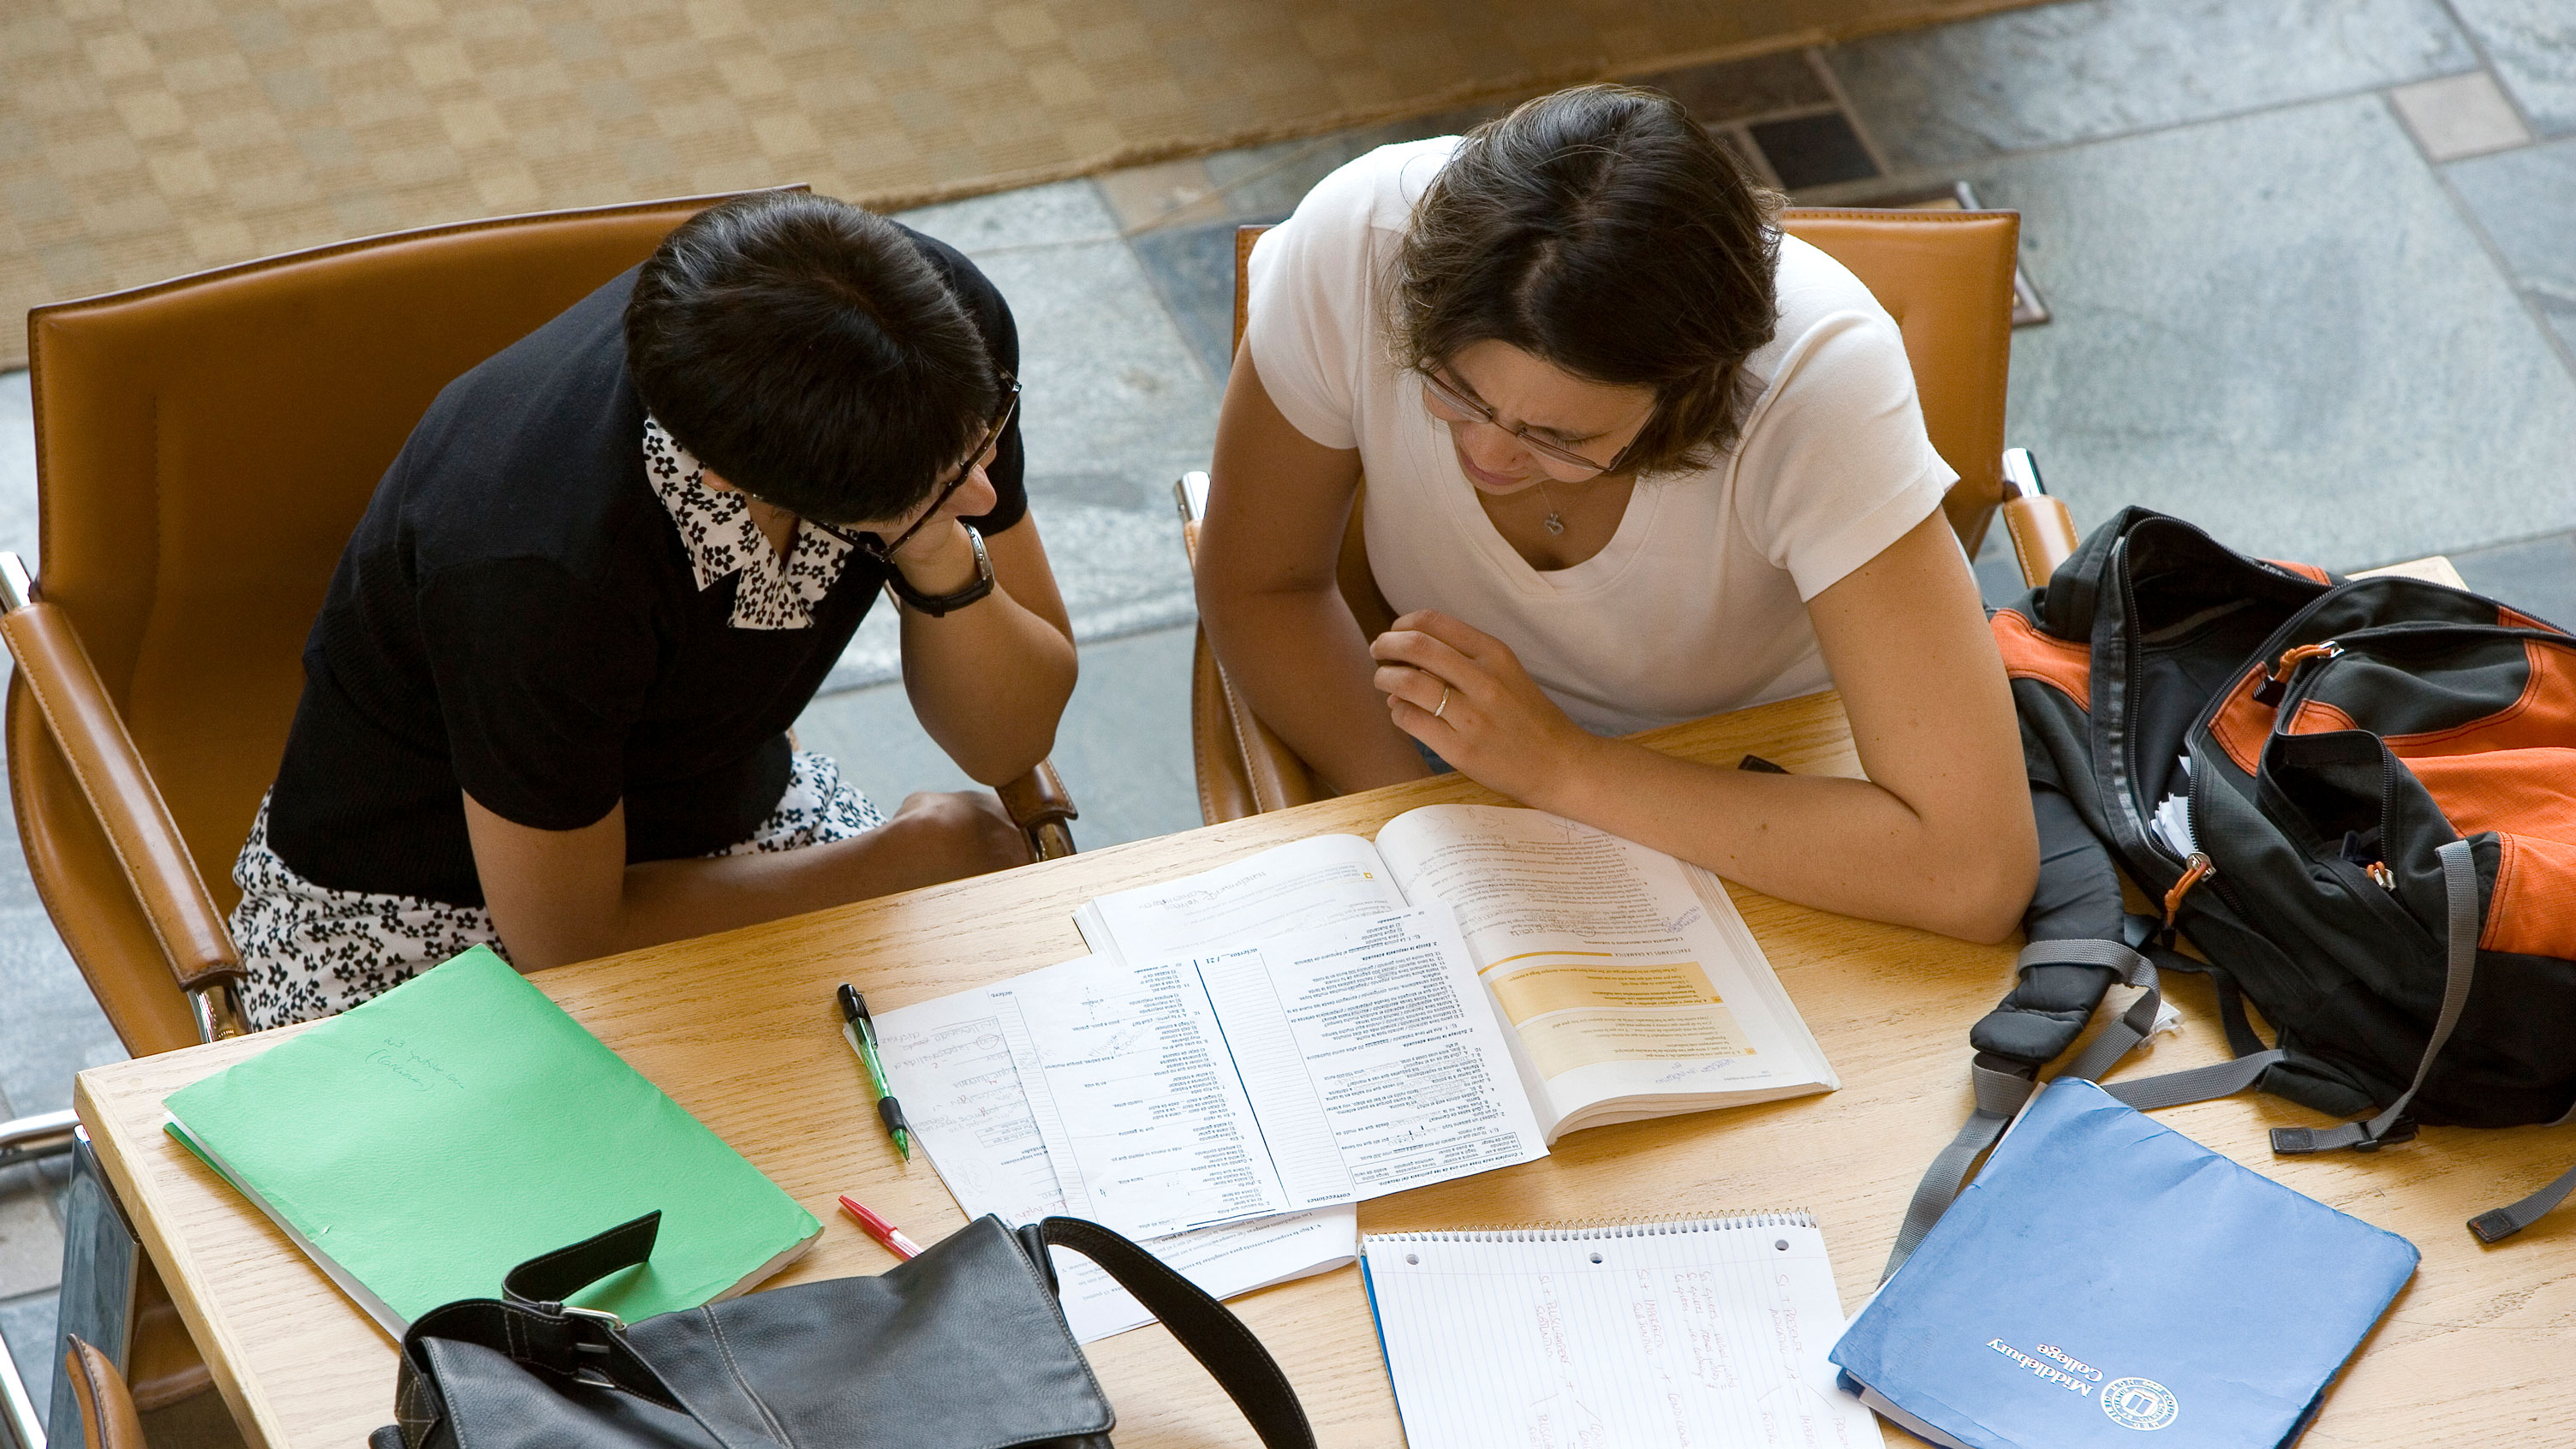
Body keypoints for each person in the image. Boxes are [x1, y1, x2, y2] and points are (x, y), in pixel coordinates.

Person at [1196, 85, 2037, 942]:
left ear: (1691, 395)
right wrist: (1427, 826)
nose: (1488, 455)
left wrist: (1560, 769)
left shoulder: (1815, 381)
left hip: (1776, 782)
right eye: (1454, 390)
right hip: (1442, 764)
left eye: (1560, 438)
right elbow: (1263, 584)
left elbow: (1972, 871)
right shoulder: (1361, 243)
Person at [230, 191, 1077, 1028]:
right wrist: (901, 859)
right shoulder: (538, 565)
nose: (981, 492)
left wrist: (933, 545)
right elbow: (572, 947)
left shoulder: (934, 339)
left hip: (722, 817)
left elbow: (1011, 740)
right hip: (429, 913)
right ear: (729, 483)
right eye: (923, 493)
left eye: (977, 443)